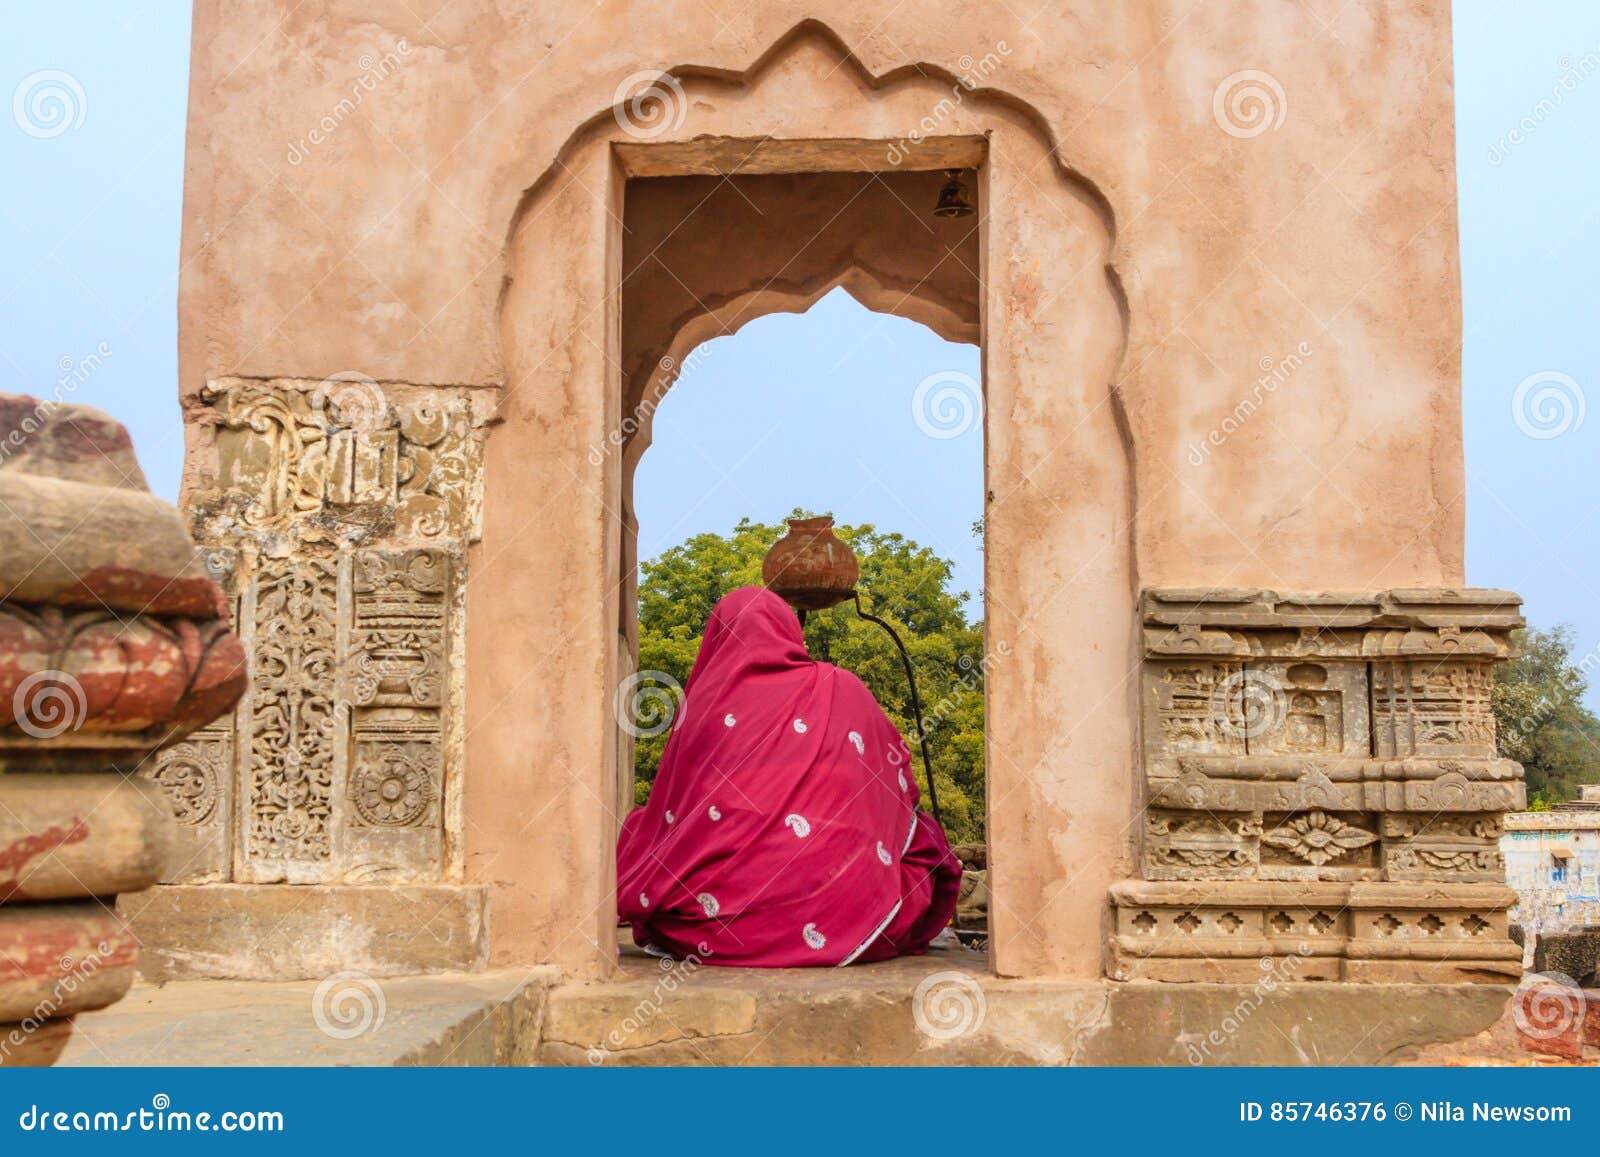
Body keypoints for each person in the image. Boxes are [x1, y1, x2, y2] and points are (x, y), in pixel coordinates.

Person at [616, 585, 962, 966]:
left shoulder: (700, 710)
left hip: (711, 927)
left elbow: (670, 816)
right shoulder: (839, 687)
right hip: (844, 908)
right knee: (923, 845)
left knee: (639, 830)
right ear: (789, 632)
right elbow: (897, 786)